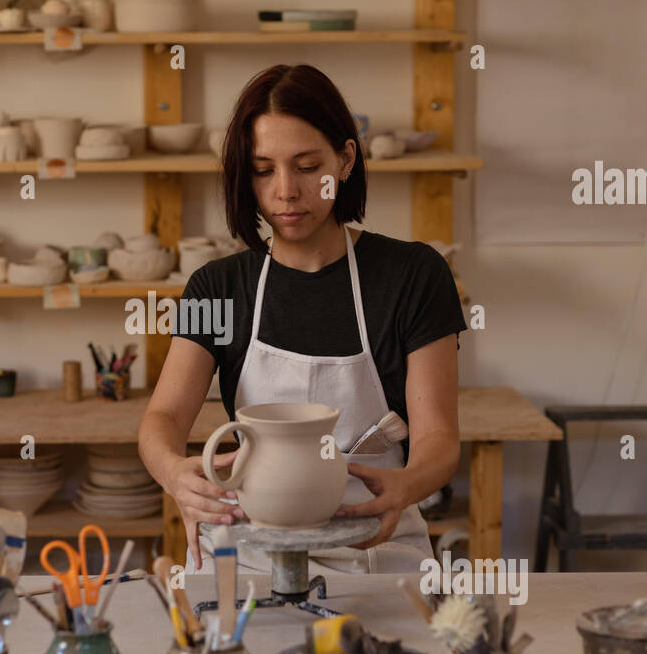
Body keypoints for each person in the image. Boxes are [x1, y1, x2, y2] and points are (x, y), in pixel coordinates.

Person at [138, 64, 466, 573]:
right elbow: (162, 419)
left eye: (308, 166)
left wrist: (407, 484)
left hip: (377, 548)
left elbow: (438, 439)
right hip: (248, 554)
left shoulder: (413, 276)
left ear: (346, 158)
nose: (286, 191)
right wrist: (172, 472)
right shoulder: (217, 288)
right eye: (263, 170)